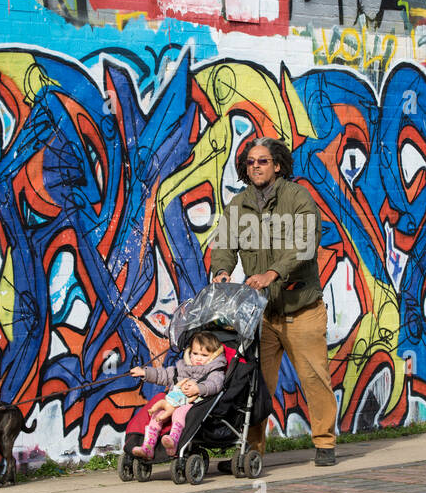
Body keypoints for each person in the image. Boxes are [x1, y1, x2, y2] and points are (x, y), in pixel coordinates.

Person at [209, 138, 338, 465]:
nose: (256, 166)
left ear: (278, 165)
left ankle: (324, 443)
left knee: (315, 379)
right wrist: (221, 271)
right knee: (253, 385)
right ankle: (250, 452)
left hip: (301, 309)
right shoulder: (239, 204)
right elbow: (224, 244)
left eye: (263, 161)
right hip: (261, 314)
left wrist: (272, 273)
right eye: (251, 162)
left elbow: (306, 244)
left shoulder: (298, 198)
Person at [129, 332, 228, 458]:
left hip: (193, 404)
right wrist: (144, 372)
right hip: (173, 402)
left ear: (214, 356)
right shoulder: (181, 368)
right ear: (189, 352)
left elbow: (215, 385)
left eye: (204, 355)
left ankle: (173, 441)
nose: (198, 358)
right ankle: (148, 447)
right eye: (195, 353)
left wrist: (198, 388)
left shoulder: (215, 371)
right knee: (157, 414)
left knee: (180, 412)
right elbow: (162, 374)